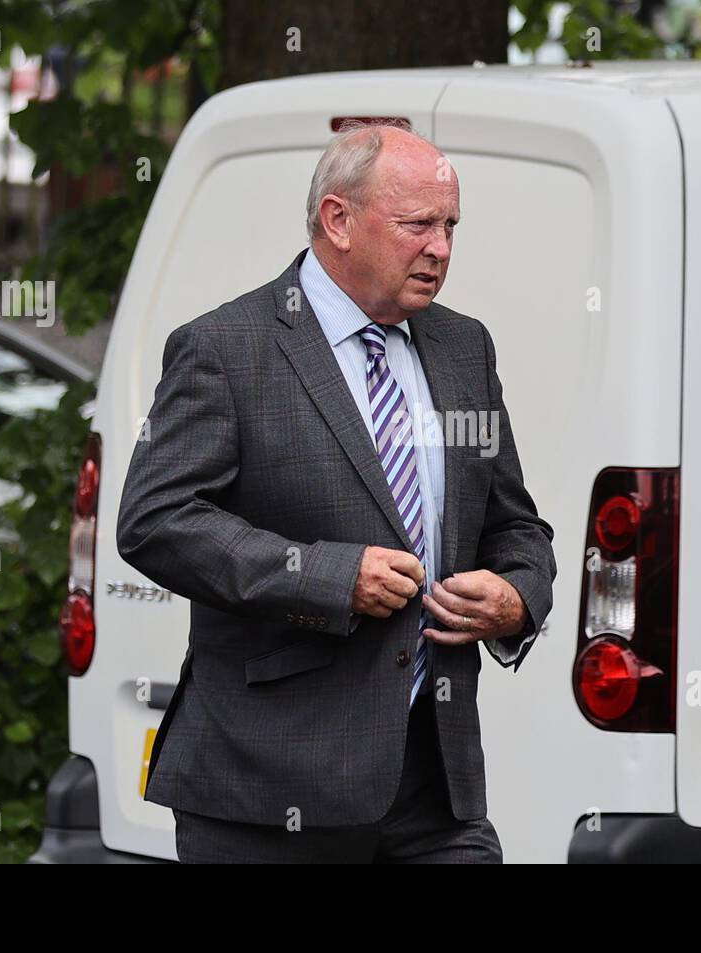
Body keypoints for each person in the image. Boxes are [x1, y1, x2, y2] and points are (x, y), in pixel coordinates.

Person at [116, 119, 556, 863]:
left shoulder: (463, 348)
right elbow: (154, 519)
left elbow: (515, 527)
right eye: (419, 225)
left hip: (435, 792)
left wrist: (516, 597)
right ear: (337, 220)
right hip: (266, 791)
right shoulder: (226, 349)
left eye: (451, 226)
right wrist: (324, 575)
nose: (441, 248)